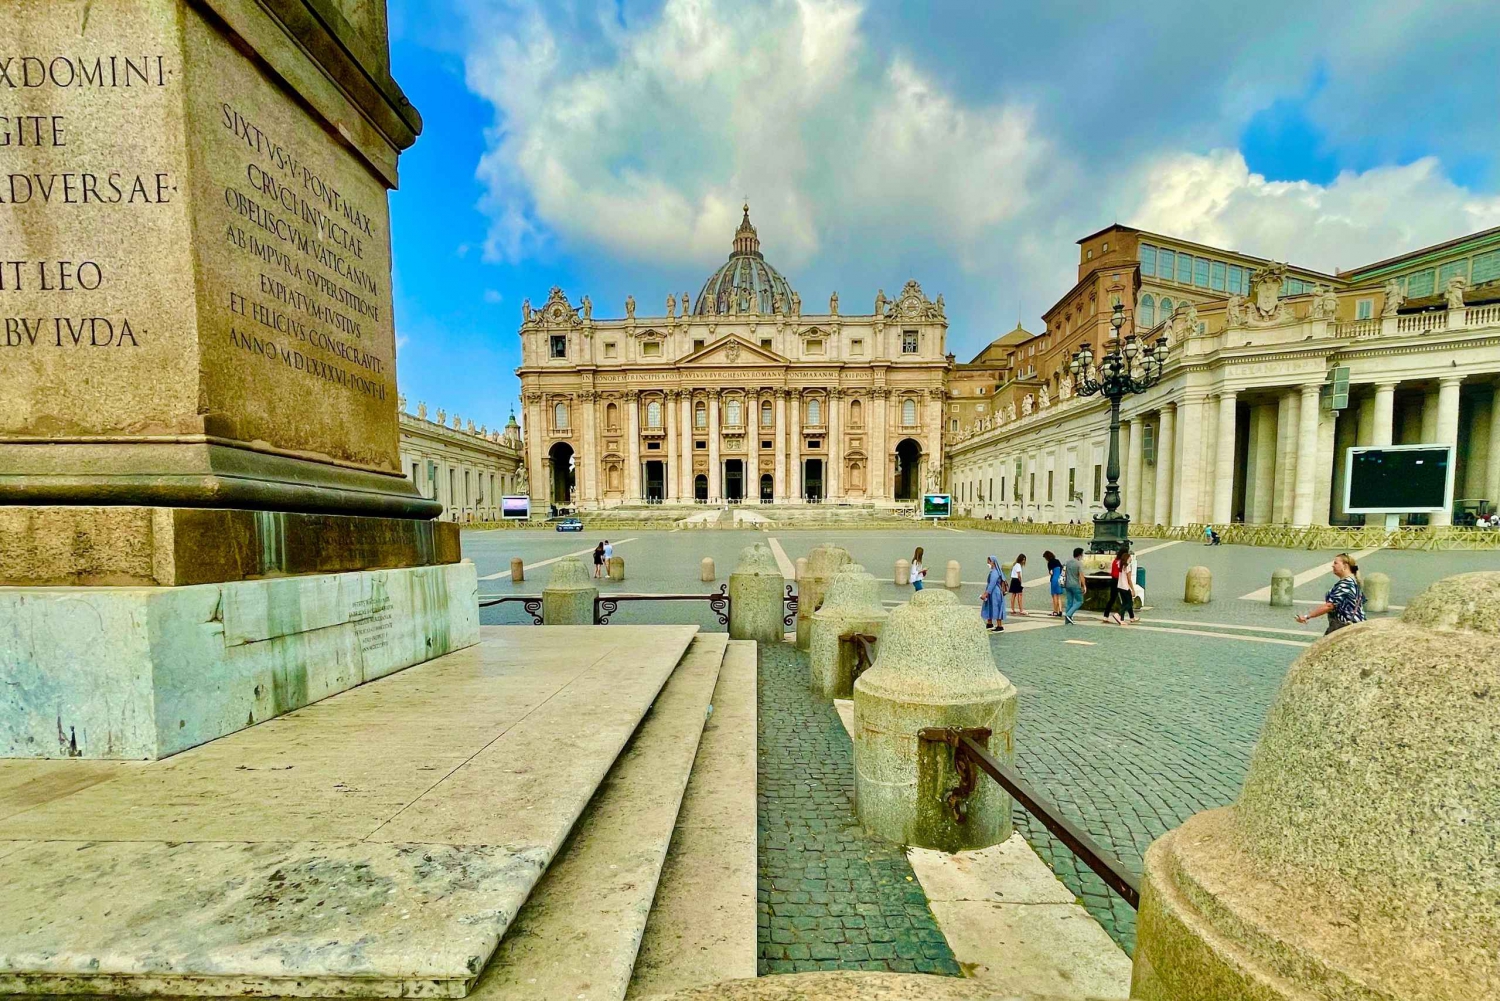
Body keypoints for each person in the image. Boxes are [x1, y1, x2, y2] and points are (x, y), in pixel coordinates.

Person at [1296, 553, 1366, 634]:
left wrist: (1307, 616)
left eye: (1336, 563)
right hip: (1352, 625)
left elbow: (1329, 606)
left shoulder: (1346, 584)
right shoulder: (1353, 582)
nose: (1333, 566)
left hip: (1344, 627)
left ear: (1345, 566)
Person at [1103, 545, 1137, 624]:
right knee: (1127, 601)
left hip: (1114, 581)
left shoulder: (1115, 561)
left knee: (1112, 599)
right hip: (1121, 582)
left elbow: (1113, 572)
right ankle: (1128, 617)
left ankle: (1106, 615)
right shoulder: (1123, 564)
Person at [1062, 547, 1087, 624]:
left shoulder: (1068, 562)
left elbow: (1065, 573)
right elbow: (1081, 575)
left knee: (1069, 601)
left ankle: (1067, 619)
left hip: (1067, 584)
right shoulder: (1079, 563)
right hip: (1075, 585)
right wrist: (1084, 586)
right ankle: (1069, 615)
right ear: (1079, 555)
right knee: (1080, 601)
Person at [981, 556, 1006, 631]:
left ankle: (999, 625)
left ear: (993, 562)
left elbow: (992, 583)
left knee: (996, 607)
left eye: (989, 562)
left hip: (995, 593)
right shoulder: (995, 571)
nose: (988, 563)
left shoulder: (995, 572)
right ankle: (989, 623)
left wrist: (986, 593)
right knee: (990, 606)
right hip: (993, 592)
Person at [1044, 550, 1064, 617]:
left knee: (1054, 596)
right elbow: (1062, 569)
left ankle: (1055, 611)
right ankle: (1060, 611)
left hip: (1054, 580)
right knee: (1059, 596)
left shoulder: (1049, 563)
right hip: (1059, 579)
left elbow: (1051, 572)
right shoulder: (1057, 561)